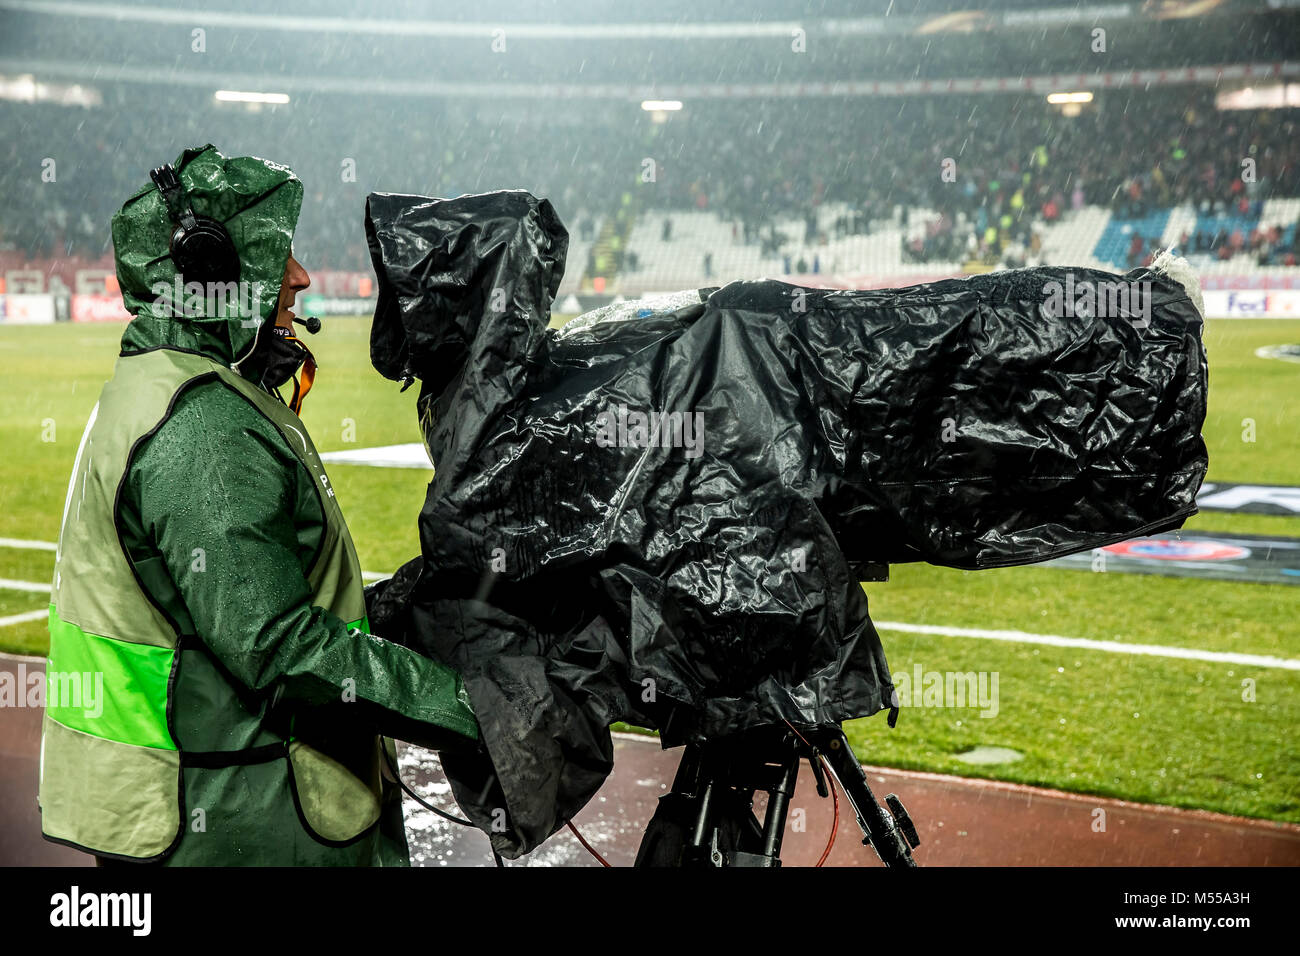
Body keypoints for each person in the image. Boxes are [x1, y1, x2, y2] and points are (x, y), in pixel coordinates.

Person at [38, 145, 478, 866]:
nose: (300, 278)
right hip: (247, 822)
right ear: (212, 278)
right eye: (279, 258)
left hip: (204, 805)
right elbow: (280, 647)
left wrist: (399, 603)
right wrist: (473, 710)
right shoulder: (205, 427)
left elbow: (254, 598)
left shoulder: (165, 384)